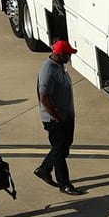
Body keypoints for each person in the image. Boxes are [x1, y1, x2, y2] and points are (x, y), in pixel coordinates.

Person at [33, 39, 86, 195]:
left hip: (65, 116)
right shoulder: (48, 71)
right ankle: (64, 184)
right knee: (60, 152)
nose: (70, 56)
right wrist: (57, 117)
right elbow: (44, 97)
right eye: (68, 54)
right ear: (61, 54)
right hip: (55, 120)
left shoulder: (59, 65)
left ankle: (44, 169)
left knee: (62, 148)